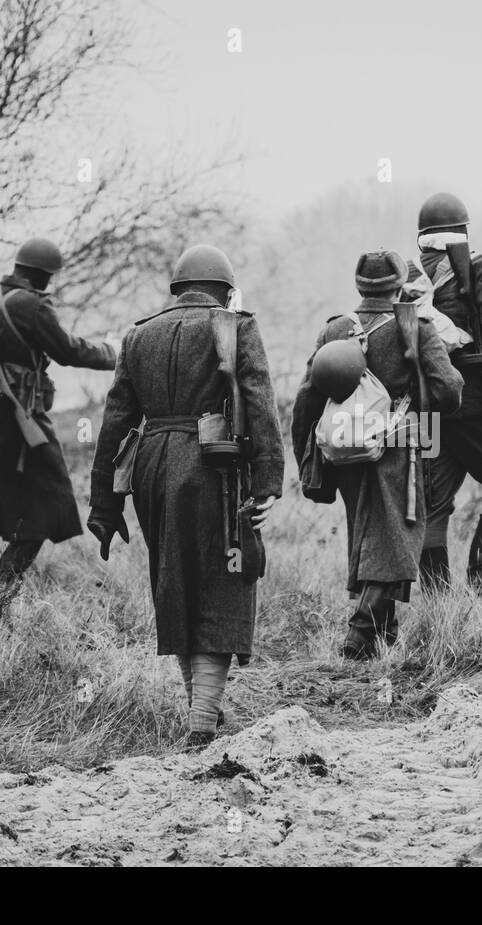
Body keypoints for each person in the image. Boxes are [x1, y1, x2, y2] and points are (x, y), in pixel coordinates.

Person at [87, 244, 283, 749]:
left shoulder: (137, 336)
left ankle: (202, 714)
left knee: (176, 582)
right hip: (216, 468)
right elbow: (260, 403)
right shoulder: (236, 326)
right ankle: (201, 723)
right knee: (225, 581)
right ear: (225, 289)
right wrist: (267, 482)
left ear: (177, 289)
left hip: (152, 469)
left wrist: (104, 506)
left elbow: (115, 423)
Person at [291, 250, 462, 660]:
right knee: (397, 540)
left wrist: (307, 461)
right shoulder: (416, 327)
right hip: (399, 450)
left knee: (370, 535)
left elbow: (305, 402)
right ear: (399, 283)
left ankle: (381, 642)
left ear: (359, 285)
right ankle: (358, 634)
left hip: (345, 451)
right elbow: (448, 392)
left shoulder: (335, 330)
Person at [0, 237, 116, 589]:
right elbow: (69, 350)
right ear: (45, 276)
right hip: (14, 407)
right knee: (48, 505)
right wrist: (115, 354)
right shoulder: (33, 306)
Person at [401, 192, 482, 591]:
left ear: (422, 239)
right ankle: (481, 585)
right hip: (475, 403)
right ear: (463, 231)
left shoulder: (409, 279)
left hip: (426, 409)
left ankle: (439, 601)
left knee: (434, 505)